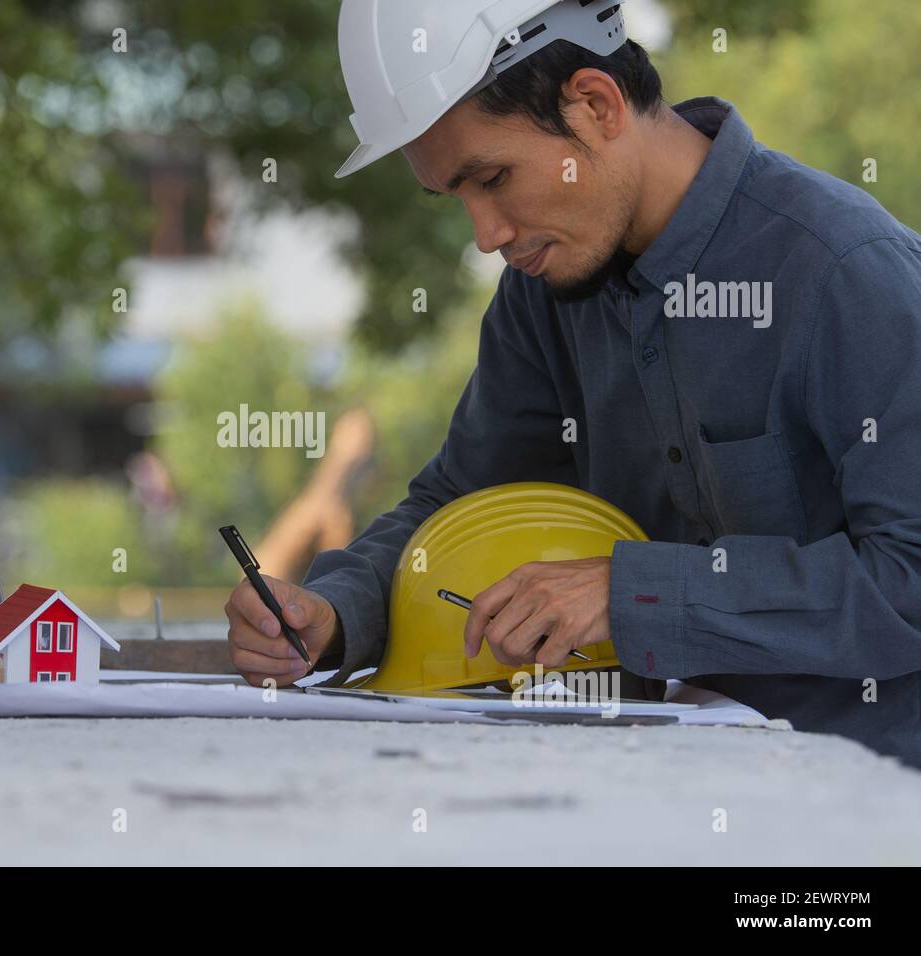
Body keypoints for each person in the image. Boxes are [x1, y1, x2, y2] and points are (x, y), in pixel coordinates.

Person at [223, 0, 921, 767]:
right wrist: (336, 608)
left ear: (595, 104)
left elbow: (909, 575)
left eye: (491, 179)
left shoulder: (843, 271)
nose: (486, 235)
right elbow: (460, 501)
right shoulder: (544, 293)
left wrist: (633, 594)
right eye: (456, 198)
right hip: (660, 793)